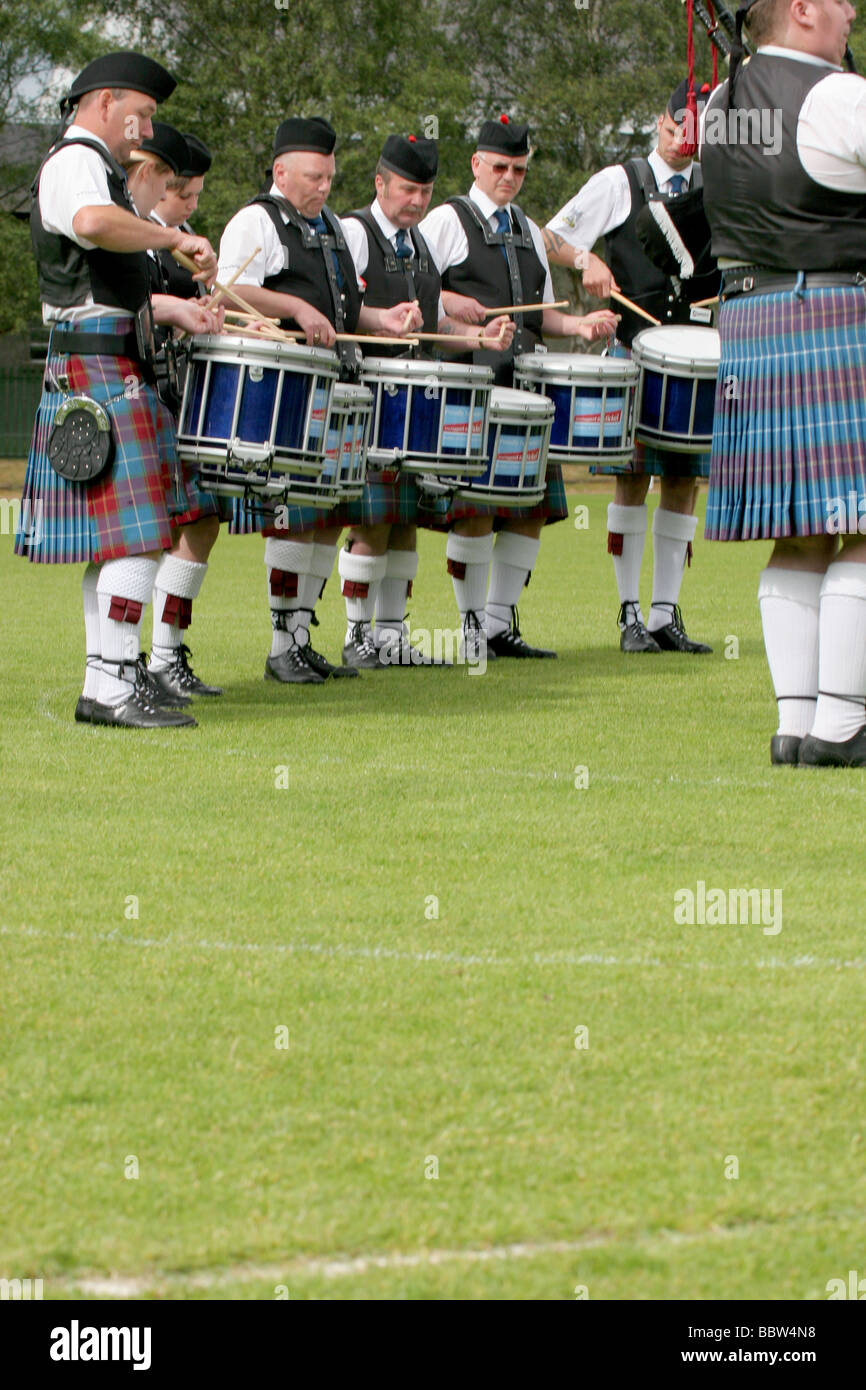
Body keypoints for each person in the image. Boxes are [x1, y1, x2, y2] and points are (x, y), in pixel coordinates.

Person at [14, 51, 221, 729]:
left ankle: (114, 673)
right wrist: (168, 236)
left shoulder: (95, 165)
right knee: (136, 535)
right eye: (144, 110)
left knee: (124, 537)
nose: (147, 124)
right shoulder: (75, 159)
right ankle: (109, 685)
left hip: (110, 361)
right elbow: (93, 225)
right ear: (105, 100)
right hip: (95, 363)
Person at [701, 0, 866, 766]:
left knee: (800, 534)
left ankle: (795, 725)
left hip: (754, 322)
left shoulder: (720, 109)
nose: (850, 12)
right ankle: (843, 726)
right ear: (800, 10)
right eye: (837, 1)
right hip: (835, 313)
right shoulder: (837, 95)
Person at [217, 116, 423, 683]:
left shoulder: (331, 226)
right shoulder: (255, 220)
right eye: (314, 177)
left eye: (330, 177)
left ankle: (302, 636)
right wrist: (294, 309)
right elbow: (225, 289)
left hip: (334, 387)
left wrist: (386, 320)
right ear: (281, 171)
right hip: (284, 392)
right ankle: (282, 645)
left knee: (326, 517)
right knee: (293, 519)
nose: (324, 188)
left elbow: (343, 312)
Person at [420, 115, 617, 661]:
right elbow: (417, 299)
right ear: (477, 164)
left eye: (520, 169)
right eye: (501, 167)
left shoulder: (529, 230)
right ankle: (467, 626)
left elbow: (543, 314)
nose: (509, 177)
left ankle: (499, 624)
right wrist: (456, 315)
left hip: (527, 391)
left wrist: (577, 326)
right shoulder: (446, 220)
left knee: (529, 508)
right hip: (473, 385)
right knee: (478, 506)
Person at [544, 81, 717, 655]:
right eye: (675, 131)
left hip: (693, 357)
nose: (682, 145)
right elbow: (550, 238)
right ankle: (628, 615)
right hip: (635, 350)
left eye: (693, 137)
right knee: (632, 479)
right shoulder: (620, 182)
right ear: (659, 123)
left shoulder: (711, 188)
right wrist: (587, 258)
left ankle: (666, 613)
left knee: (683, 483)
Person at [339, 132, 515, 668]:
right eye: (408, 189)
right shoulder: (355, 232)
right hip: (368, 397)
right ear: (380, 183)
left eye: (426, 191)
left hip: (415, 406)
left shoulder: (422, 244)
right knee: (370, 522)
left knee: (405, 520)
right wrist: (381, 324)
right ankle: (354, 636)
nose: (417, 201)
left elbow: (436, 322)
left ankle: (390, 635)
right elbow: (340, 310)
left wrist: (479, 340)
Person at [141, 126, 226, 700]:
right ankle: (141, 662)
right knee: (150, 530)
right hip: (143, 392)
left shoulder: (183, 238)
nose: (191, 207)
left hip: (185, 395)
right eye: (182, 194)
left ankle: (167, 652)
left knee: (202, 518)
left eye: (196, 195)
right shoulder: (136, 239)